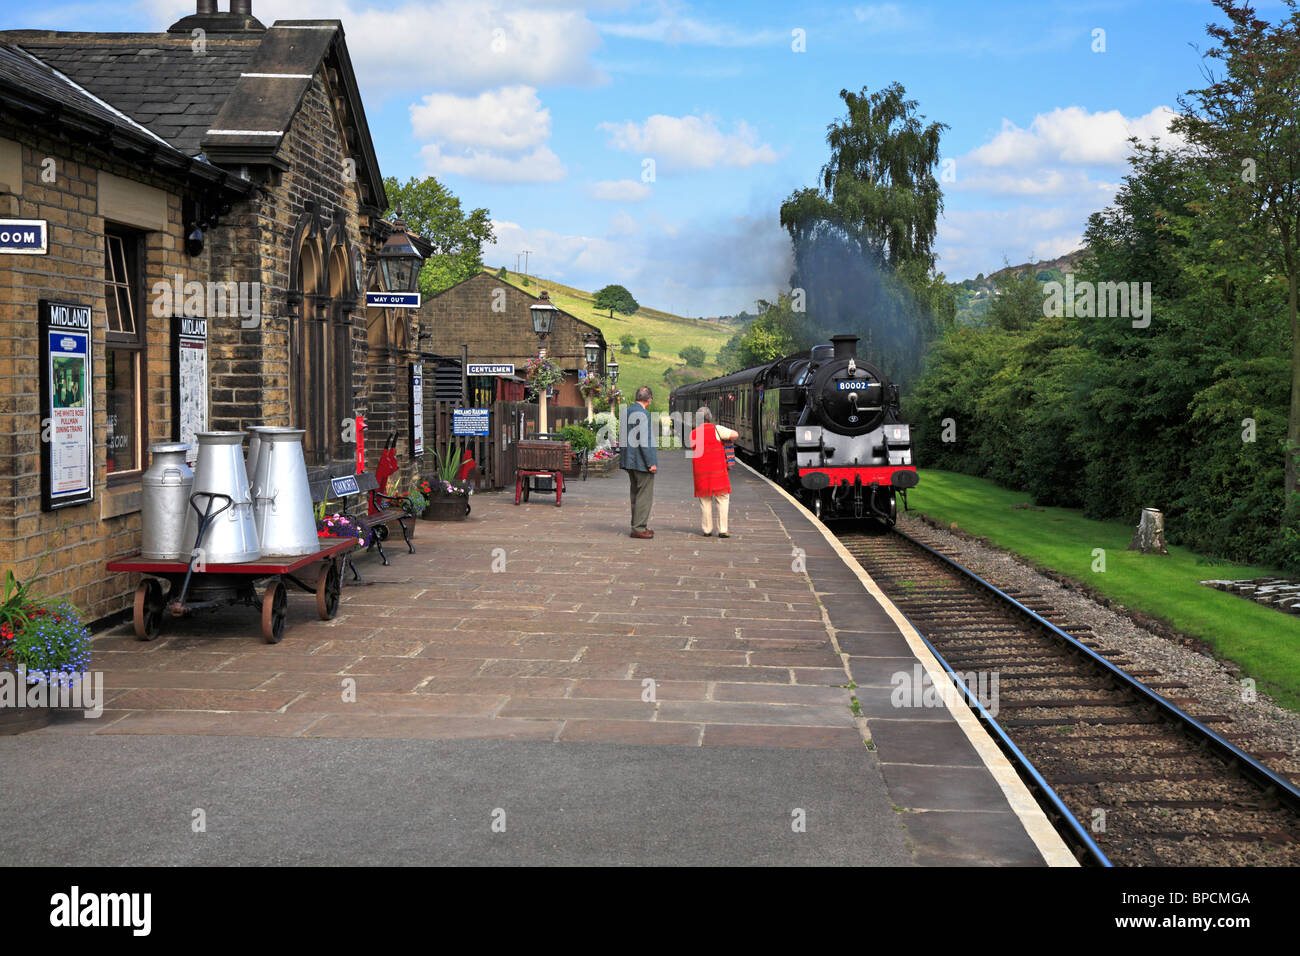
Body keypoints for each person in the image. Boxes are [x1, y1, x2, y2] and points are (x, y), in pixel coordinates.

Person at [689, 406, 738, 538]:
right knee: (722, 498)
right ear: (710, 417)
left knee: (705, 501)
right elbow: (735, 435)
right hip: (717, 471)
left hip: (701, 472)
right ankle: (722, 530)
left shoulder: (693, 433)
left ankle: (707, 529)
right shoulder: (717, 429)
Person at [620, 385, 657, 538]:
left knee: (635, 493)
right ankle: (639, 528)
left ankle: (637, 525)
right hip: (641, 461)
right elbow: (645, 440)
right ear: (649, 400)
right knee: (644, 495)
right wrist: (651, 462)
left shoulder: (626, 412)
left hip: (629, 460)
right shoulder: (644, 414)